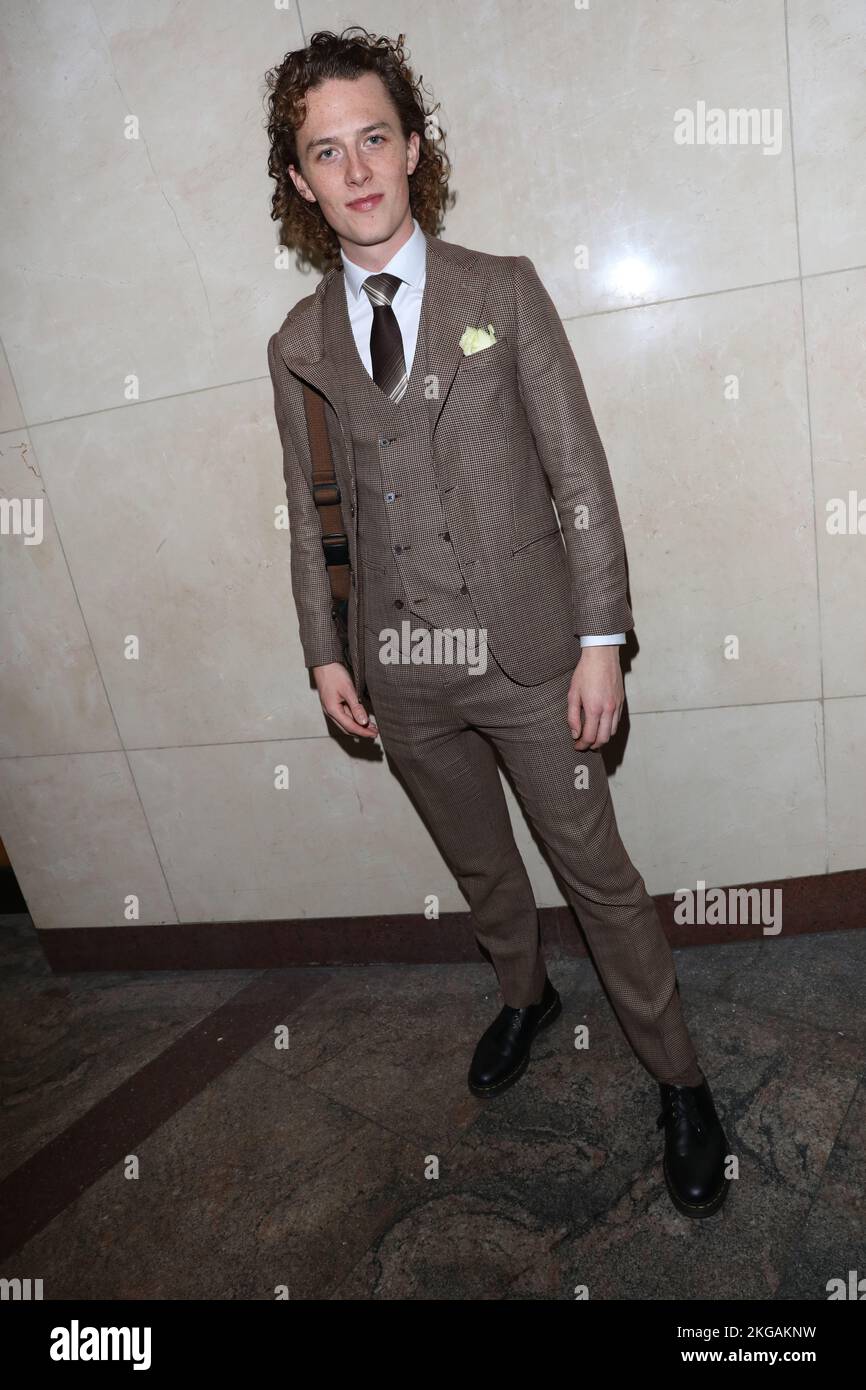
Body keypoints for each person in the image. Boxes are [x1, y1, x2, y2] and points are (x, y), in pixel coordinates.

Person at [265, 26, 730, 1218]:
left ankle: (678, 1080)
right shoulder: (298, 344)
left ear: (413, 148)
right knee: (480, 869)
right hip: (401, 670)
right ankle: (524, 996)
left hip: (529, 656)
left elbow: (579, 475)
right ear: (300, 182)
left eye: (375, 137)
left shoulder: (501, 290)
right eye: (327, 151)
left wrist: (599, 639)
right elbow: (308, 509)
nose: (356, 166)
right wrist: (325, 650)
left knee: (597, 874)